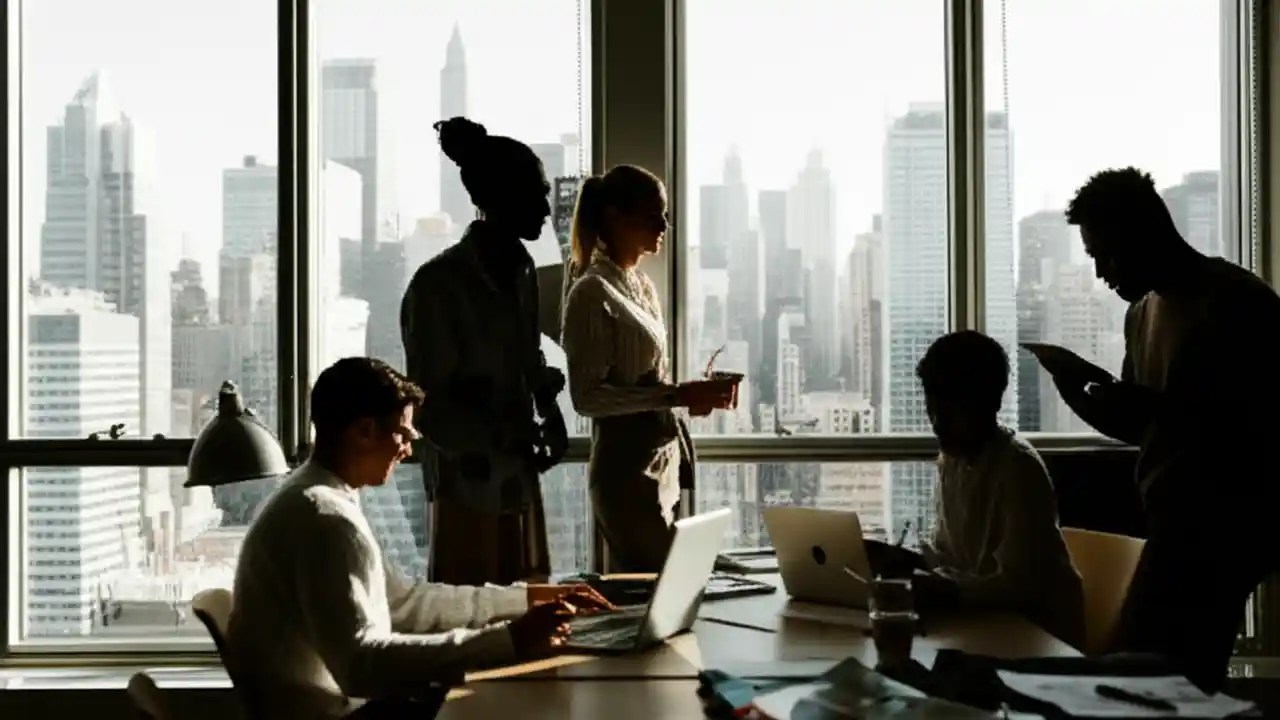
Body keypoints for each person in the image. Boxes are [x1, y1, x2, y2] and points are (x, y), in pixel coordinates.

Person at [227, 357, 611, 720]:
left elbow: (404, 603)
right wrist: (508, 639)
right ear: (365, 431)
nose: (408, 450)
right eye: (403, 434)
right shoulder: (324, 520)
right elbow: (362, 665)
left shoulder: (318, 499)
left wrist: (527, 598)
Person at [1047, 167, 1280, 690]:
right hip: (1172, 521)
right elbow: (1138, 424)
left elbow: (1261, 427)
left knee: (1159, 676)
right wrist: (1079, 395)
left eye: (1106, 254)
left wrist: (1156, 410)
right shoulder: (1142, 313)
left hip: (1224, 527)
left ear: (1144, 232)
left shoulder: (1239, 304)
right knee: (1165, 680)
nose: (1102, 273)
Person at [401, 117, 568, 586]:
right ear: (495, 197)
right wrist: (494, 434)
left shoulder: (523, 272)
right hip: (468, 487)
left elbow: (528, 356)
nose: (544, 207)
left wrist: (548, 414)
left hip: (515, 474)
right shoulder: (438, 285)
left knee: (529, 614)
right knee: (473, 617)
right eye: (534, 193)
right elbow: (429, 404)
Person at [560, 165, 737, 572]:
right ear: (615, 217)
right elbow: (586, 398)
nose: (664, 224)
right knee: (663, 584)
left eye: (665, 214)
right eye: (653, 213)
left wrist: (689, 396)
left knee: (668, 583)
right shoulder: (591, 292)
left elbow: (646, 381)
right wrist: (675, 395)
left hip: (659, 466)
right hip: (625, 473)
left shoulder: (641, 285)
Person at [914, 331, 1085, 649]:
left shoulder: (1018, 468)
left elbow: (1018, 586)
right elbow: (953, 555)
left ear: (988, 403)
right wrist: (907, 563)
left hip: (1039, 636)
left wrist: (945, 588)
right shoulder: (952, 461)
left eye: (950, 413)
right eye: (932, 411)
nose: (938, 424)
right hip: (987, 628)